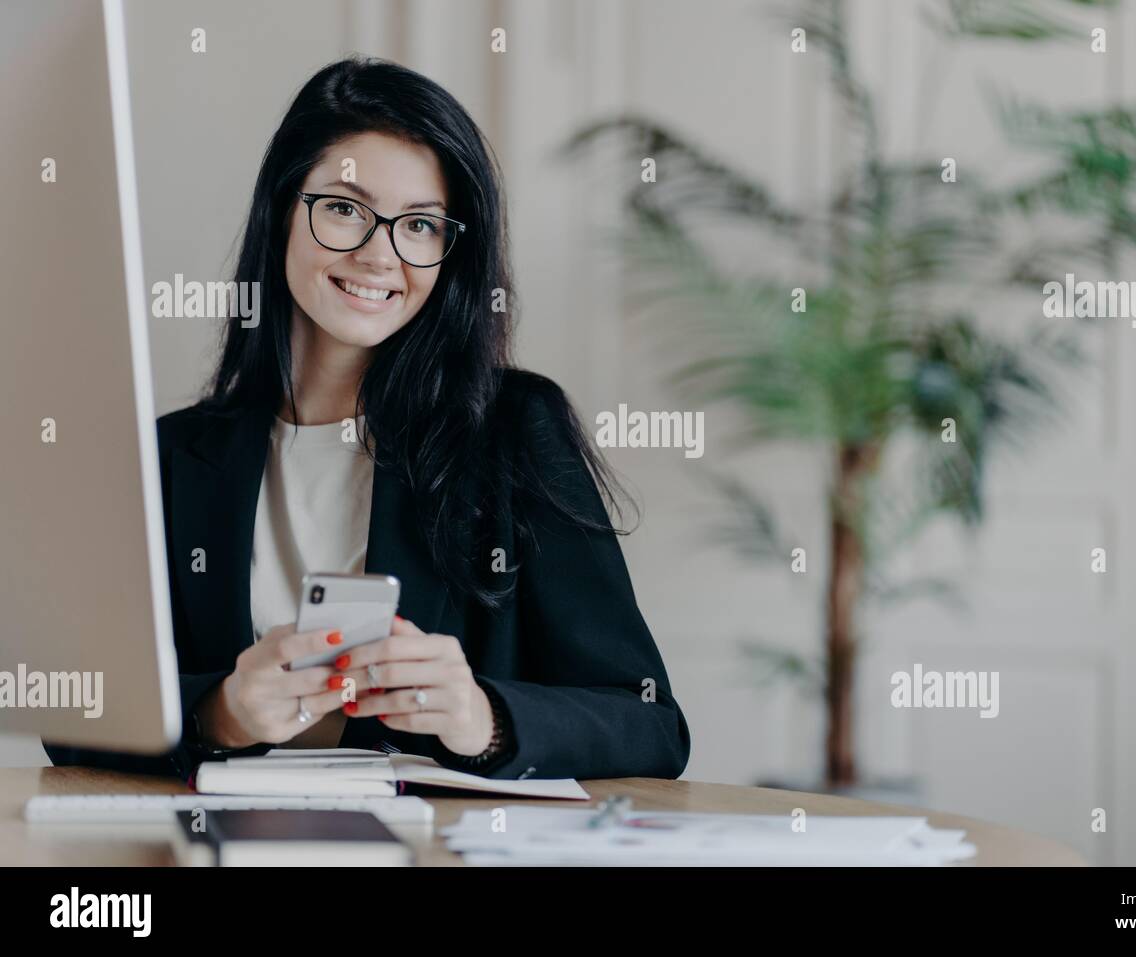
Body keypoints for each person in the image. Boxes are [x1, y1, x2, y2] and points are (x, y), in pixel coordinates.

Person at [44, 57, 690, 782]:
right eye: (346, 208)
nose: (380, 255)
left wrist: (483, 717)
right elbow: (76, 715)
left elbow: (651, 723)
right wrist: (217, 712)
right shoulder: (168, 458)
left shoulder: (513, 431)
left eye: (419, 224)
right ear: (283, 210)